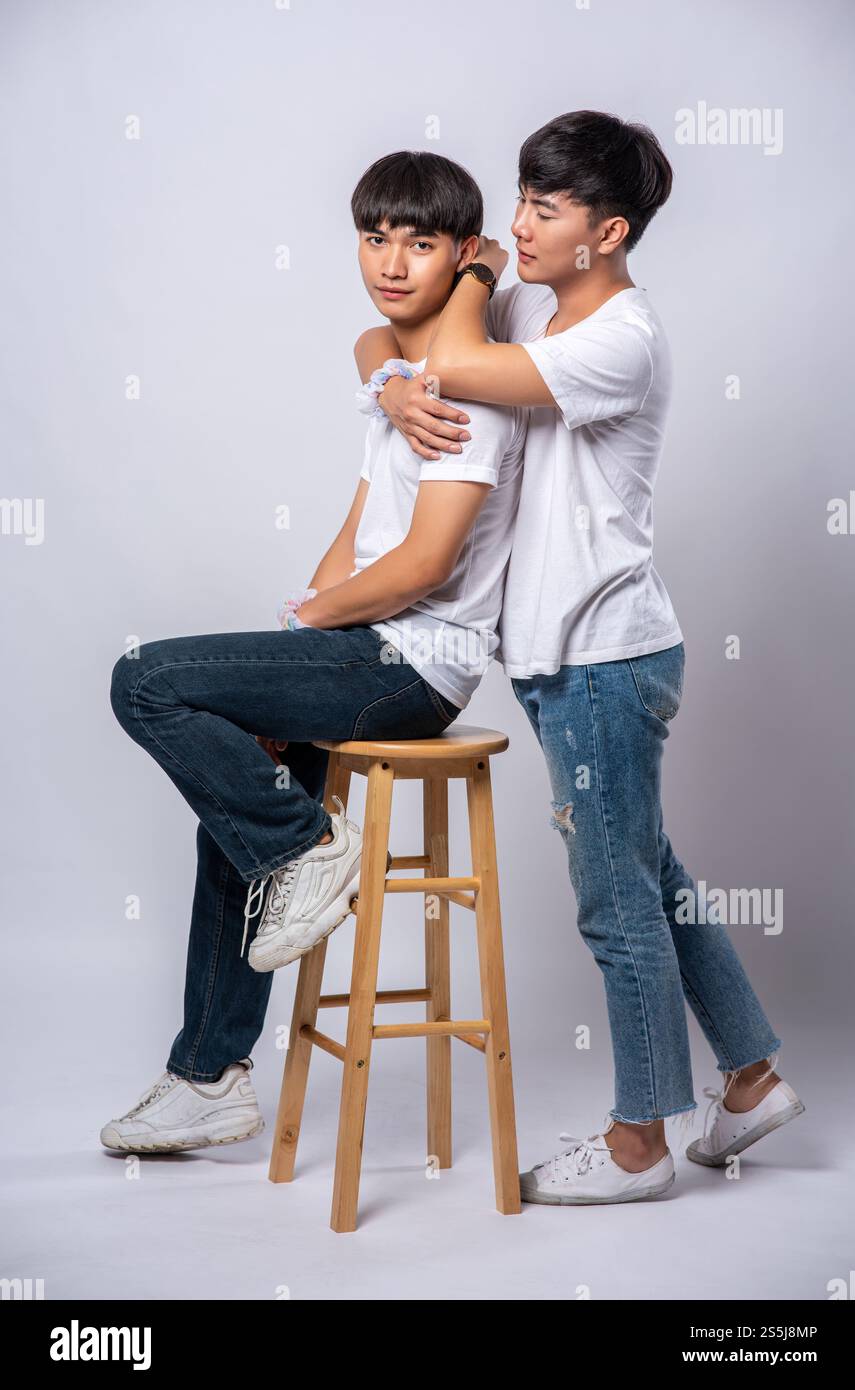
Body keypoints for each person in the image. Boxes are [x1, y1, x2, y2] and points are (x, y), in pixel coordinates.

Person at [355, 111, 804, 1205]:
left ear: (607, 231)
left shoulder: (618, 339)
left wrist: (470, 284)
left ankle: (638, 1141)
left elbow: (450, 352)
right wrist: (389, 380)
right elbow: (394, 338)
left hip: (604, 659)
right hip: (578, 658)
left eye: (544, 209)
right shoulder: (534, 310)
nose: (514, 223)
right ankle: (748, 1080)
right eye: (517, 199)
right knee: (648, 875)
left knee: (615, 902)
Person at [101, 150, 527, 1154]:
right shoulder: (401, 368)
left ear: (460, 256)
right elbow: (367, 515)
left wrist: (320, 620)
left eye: (422, 243)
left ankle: (308, 846)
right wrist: (301, 625)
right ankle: (208, 1077)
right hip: (360, 645)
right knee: (232, 790)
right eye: (376, 237)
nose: (391, 259)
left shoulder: (468, 391)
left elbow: (421, 566)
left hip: (408, 666)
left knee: (145, 680)